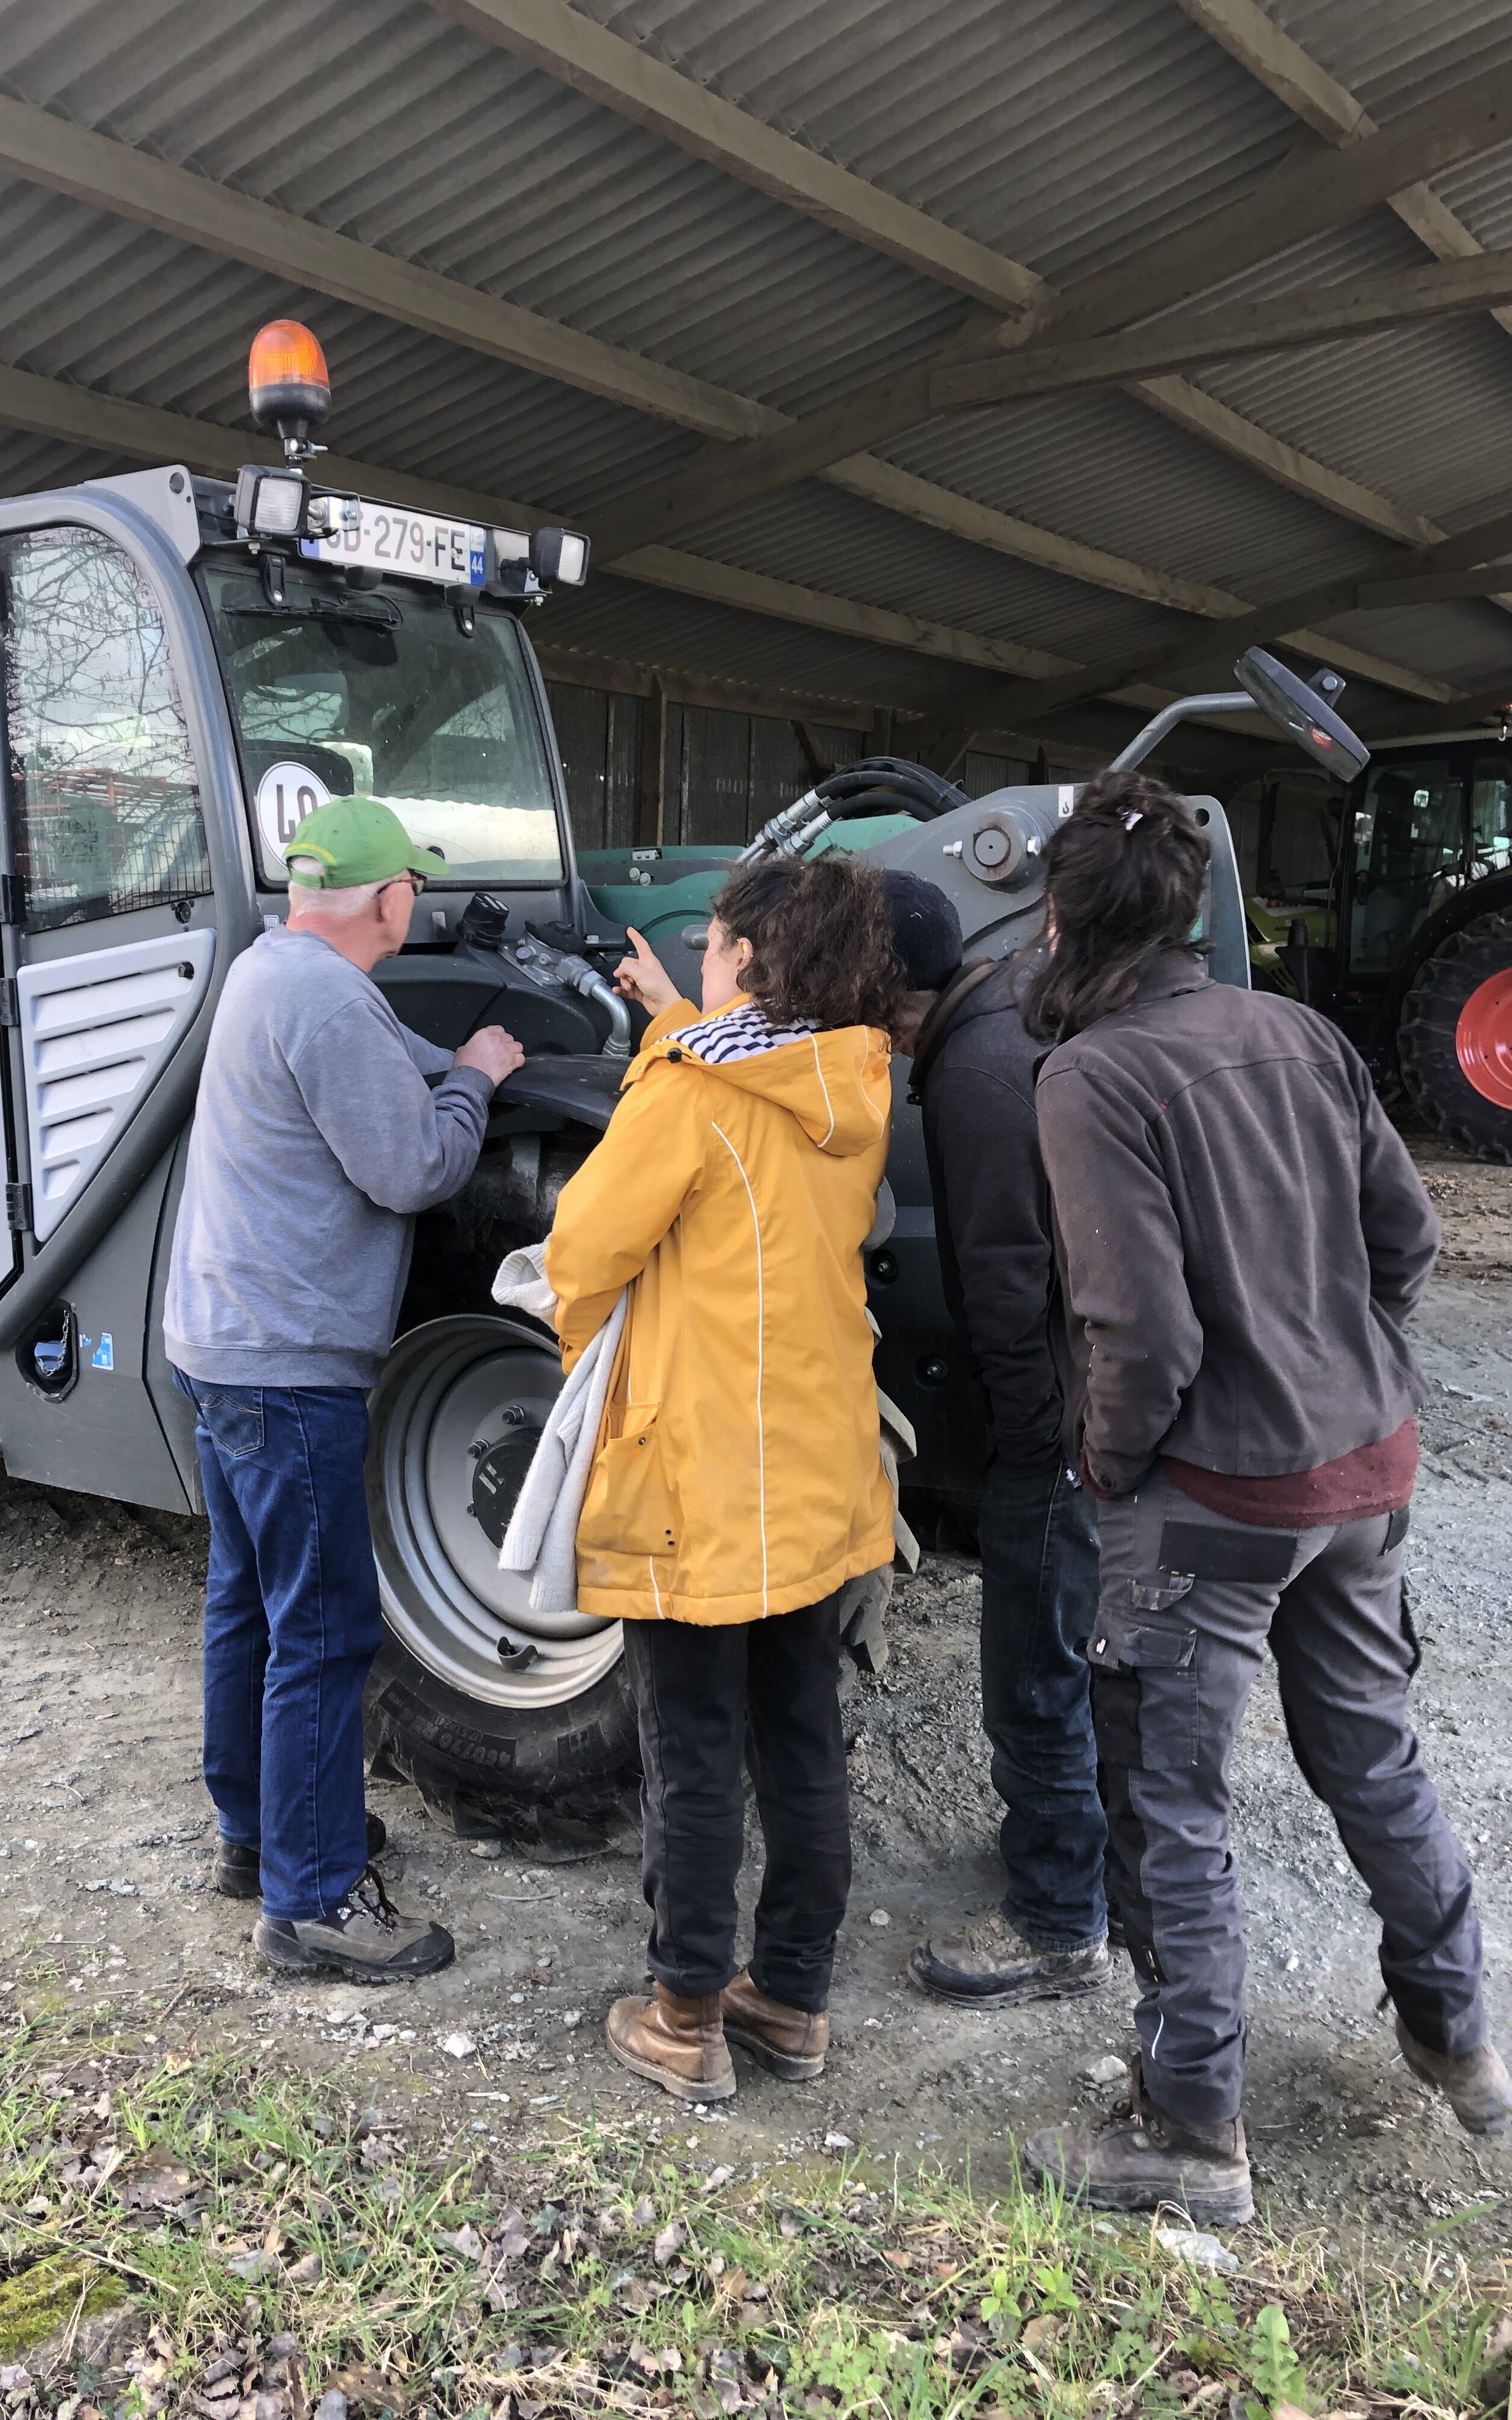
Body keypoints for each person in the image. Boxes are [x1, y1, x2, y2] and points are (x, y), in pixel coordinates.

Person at [1019, 769, 1512, 2224]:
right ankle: (1461, 2044)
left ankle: (1189, 2134)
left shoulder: (1088, 1077)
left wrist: (1116, 1466)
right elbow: (1407, 1238)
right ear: (1188, 908)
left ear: (1057, 921)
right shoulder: (1298, 1033)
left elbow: (1141, 1330)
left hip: (1210, 1501)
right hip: (1365, 1467)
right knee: (1375, 1757)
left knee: (1170, 1801)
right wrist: (1344, 1357)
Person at [543, 856, 901, 2101]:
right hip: (819, 1473)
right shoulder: (850, 1081)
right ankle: (790, 2002)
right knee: (802, 1743)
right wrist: (674, 1024)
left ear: (750, 959)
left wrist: (595, 1352)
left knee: (691, 1748)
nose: (699, 960)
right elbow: (749, 1085)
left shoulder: (690, 1095)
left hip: (697, 1475)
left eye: (710, 945)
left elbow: (582, 1248)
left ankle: (684, 2017)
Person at [163, 794, 523, 1981]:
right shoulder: (325, 998)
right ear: (393, 898)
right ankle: (312, 1902)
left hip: (220, 1347)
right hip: (289, 1366)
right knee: (324, 1633)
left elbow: (379, 1061)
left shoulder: (274, 972)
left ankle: (256, 1836)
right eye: (412, 885)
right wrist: (476, 1078)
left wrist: (448, 1061)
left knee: (247, 1604)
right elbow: (414, 1167)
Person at [880, 870, 1109, 2009]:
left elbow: (1011, 1277)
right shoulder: (1014, 1011)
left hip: (1060, 1420)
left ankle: (1058, 1919)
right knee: (1082, 1650)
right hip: (1098, 1406)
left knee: (1032, 1670)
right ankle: (1087, 1860)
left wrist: (1028, 1454)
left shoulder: (970, 1076)